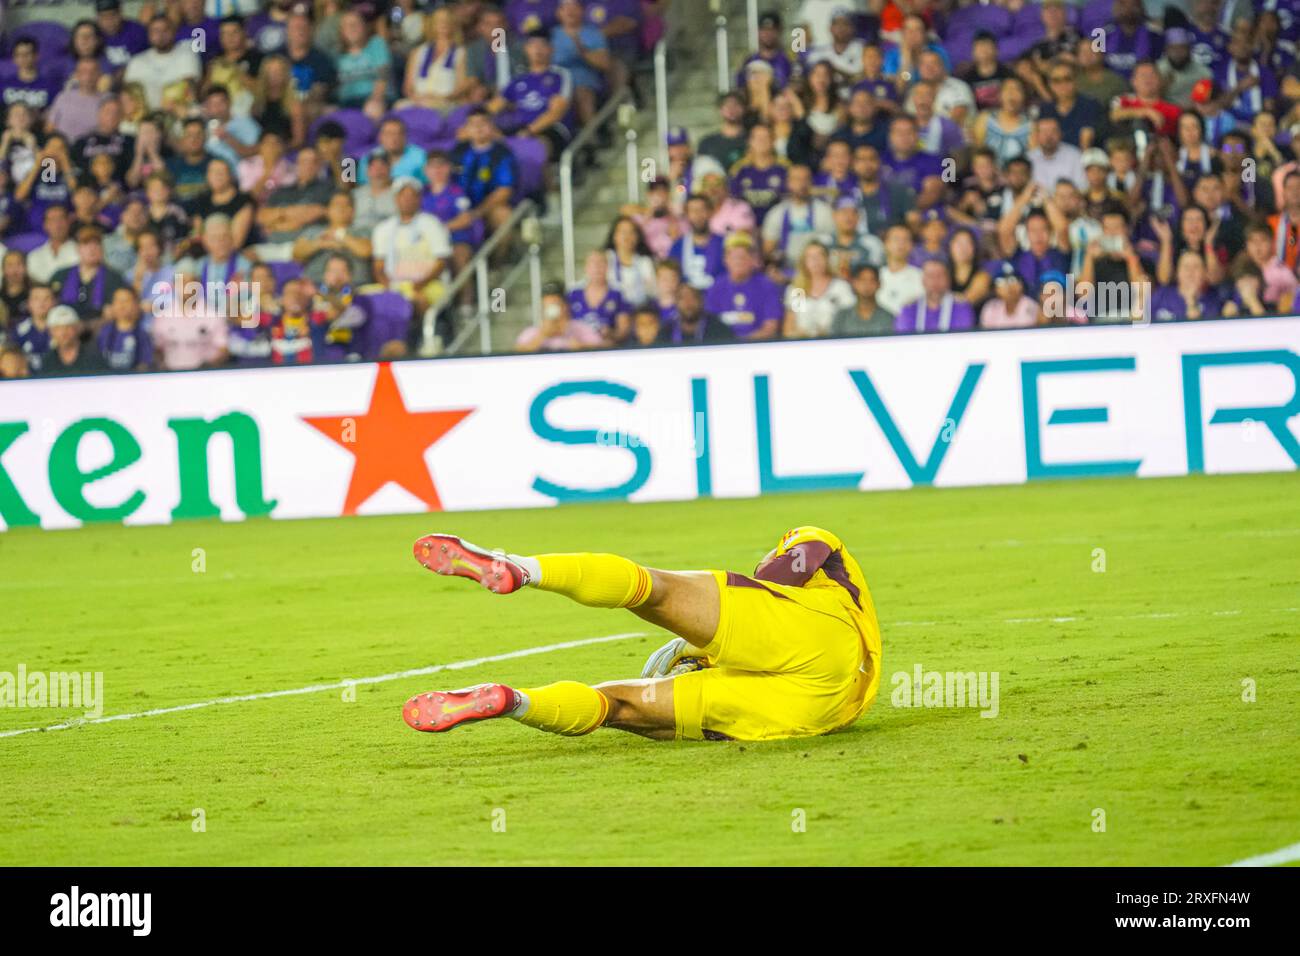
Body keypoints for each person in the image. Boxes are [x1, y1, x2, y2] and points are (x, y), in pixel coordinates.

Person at [402, 525, 881, 743]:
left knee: (653, 590)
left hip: (820, 637)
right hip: (820, 712)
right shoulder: (837, 572)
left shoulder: (807, 537)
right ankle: (513, 701)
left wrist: (703, 634)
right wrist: (700, 656)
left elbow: (794, 561)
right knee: (619, 706)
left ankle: (522, 569)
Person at [704, 232, 783, 340]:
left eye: (743, 257)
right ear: (725, 259)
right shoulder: (716, 288)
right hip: (723, 349)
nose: (738, 262)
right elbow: (708, 327)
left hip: (758, 348)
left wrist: (743, 343)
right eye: (734, 257)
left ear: (753, 260)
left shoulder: (767, 286)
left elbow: (771, 327)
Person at [515, 280, 604, 352]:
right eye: (547, 306)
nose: (552, 310)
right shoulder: (533, 332)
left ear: (565, 307)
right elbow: (518, 351)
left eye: (556, 304)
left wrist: (580, 346)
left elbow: (601, 347)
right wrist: (543, 335)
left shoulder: (580, 328)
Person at [894, 258, 975, 333]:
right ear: (923, 280)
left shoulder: (961, 307)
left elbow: (963, 338)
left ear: (948, 279)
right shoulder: (909, 308)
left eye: (940, 275)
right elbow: (903, 339)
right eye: (930, 276)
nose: (935, 281)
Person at [41, 304, 106, 375]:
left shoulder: (93, 356)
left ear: (77, 328)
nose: (64, 333)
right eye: (58, 328)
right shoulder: (48, 361)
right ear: (51, 332)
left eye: (68, 327)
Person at [831, 264, 894, 336]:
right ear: (854, 283)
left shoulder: (888, 318)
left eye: (872, 280)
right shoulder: (842, 317)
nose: (867, 285)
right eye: (862, 280)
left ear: (879, 284)